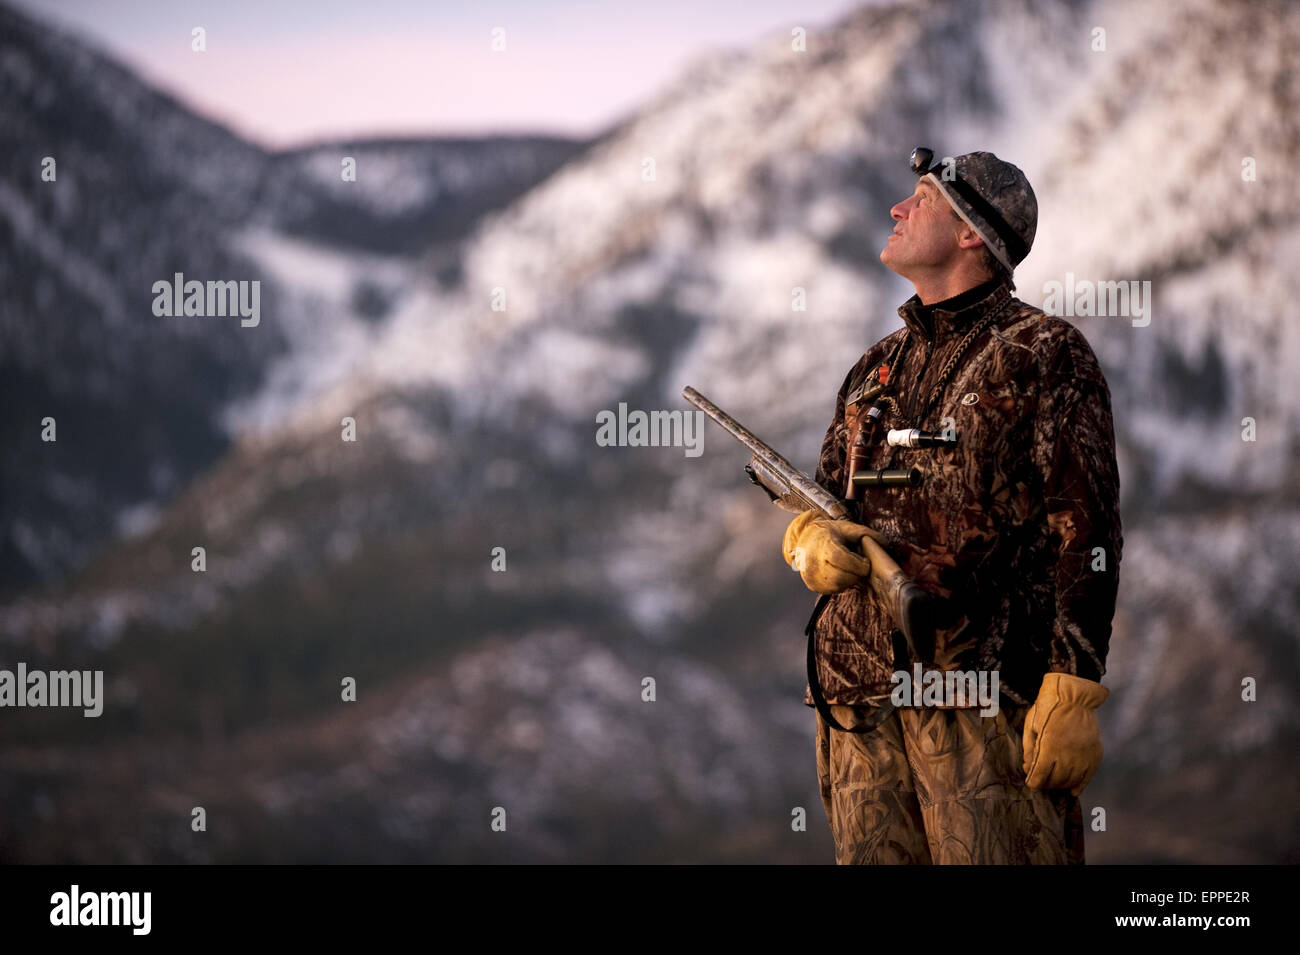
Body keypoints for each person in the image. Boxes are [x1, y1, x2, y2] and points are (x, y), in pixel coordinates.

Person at [782, 147, 1122, 864]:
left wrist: (1076, 680)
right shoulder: (873, 367)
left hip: (983, 697)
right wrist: (807, 544)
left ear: (972, 231)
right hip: (858, 701)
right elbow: (820, 495)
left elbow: (1086, 525)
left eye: (921, 199)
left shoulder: (1045, 352)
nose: (898, 209)